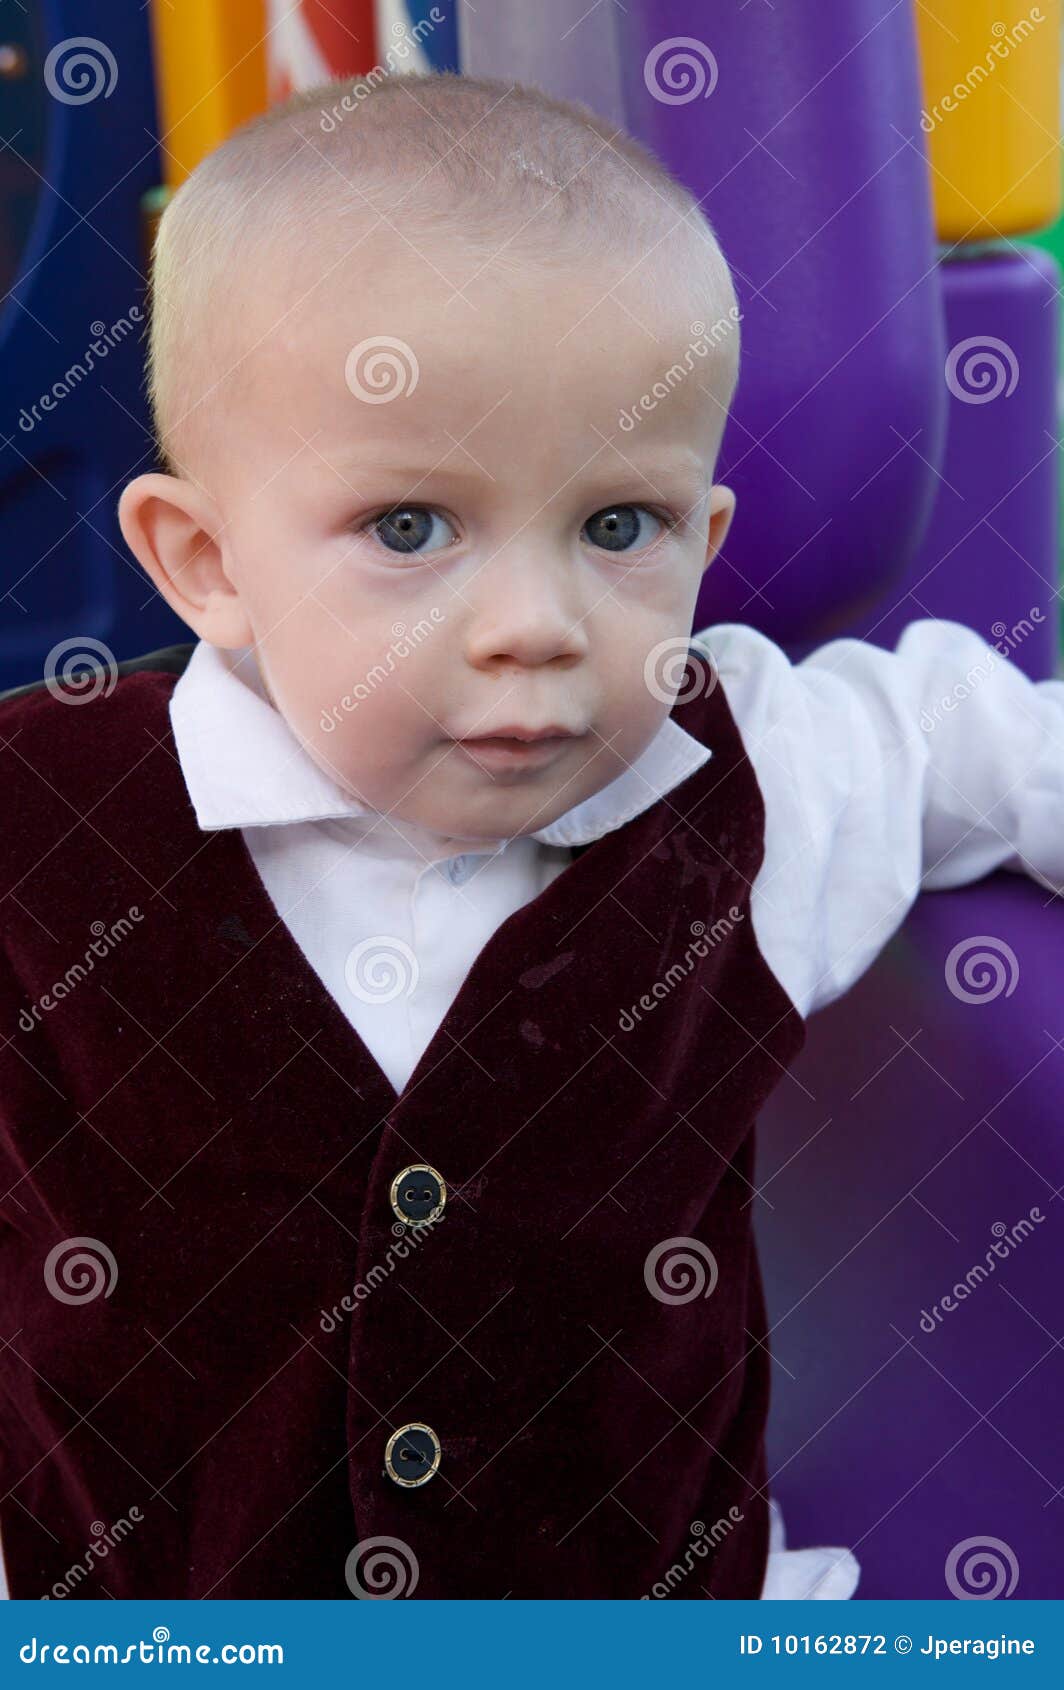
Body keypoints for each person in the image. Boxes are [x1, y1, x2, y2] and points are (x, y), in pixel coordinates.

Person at [1, 71, 1061, 1601]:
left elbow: (990, 737)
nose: (535, 628)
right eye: (411, 528)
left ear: (703, 544)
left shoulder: (746, 779)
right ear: (207, 561)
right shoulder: (44, 826)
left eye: (617, 527)